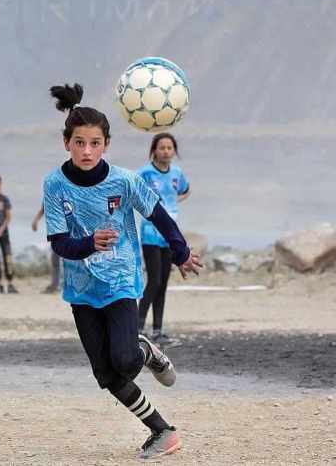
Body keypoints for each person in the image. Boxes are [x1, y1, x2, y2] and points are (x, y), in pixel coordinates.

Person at [40, 83, 202, 460]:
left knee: (125, 361)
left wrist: (180, 252)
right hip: (81, 289)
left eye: (94, 143)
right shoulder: (54, 184)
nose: (86, 151)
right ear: (66, 143)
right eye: (79, 142)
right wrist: (87, 244)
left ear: (106, 145)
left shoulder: (125, 180)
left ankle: (144, 350)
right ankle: (162, 431)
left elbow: (158, 214)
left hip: (120, 280)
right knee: (107, 375)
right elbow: (60, 242)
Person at [137, 133, 191, 345]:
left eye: (170, 148)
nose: (166, 151)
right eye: (162, 148)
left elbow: (186, 190)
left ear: (174, 151)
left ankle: (158, 331)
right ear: (154, 150)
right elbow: (131, 192)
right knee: (154, 281)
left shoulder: (177, 173)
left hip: (170, 235)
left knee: (163, 284)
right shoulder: (144, 173)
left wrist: (173, 203)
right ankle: (138, 328)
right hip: (151, 233)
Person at [31, 207, 61, 293]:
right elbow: (43, 208)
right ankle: (55, 285)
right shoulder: (50, 194)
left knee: (71, 260)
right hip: (56, 232)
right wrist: (35, 220)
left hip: (66, 231)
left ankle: (57, 285)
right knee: (55, 260)